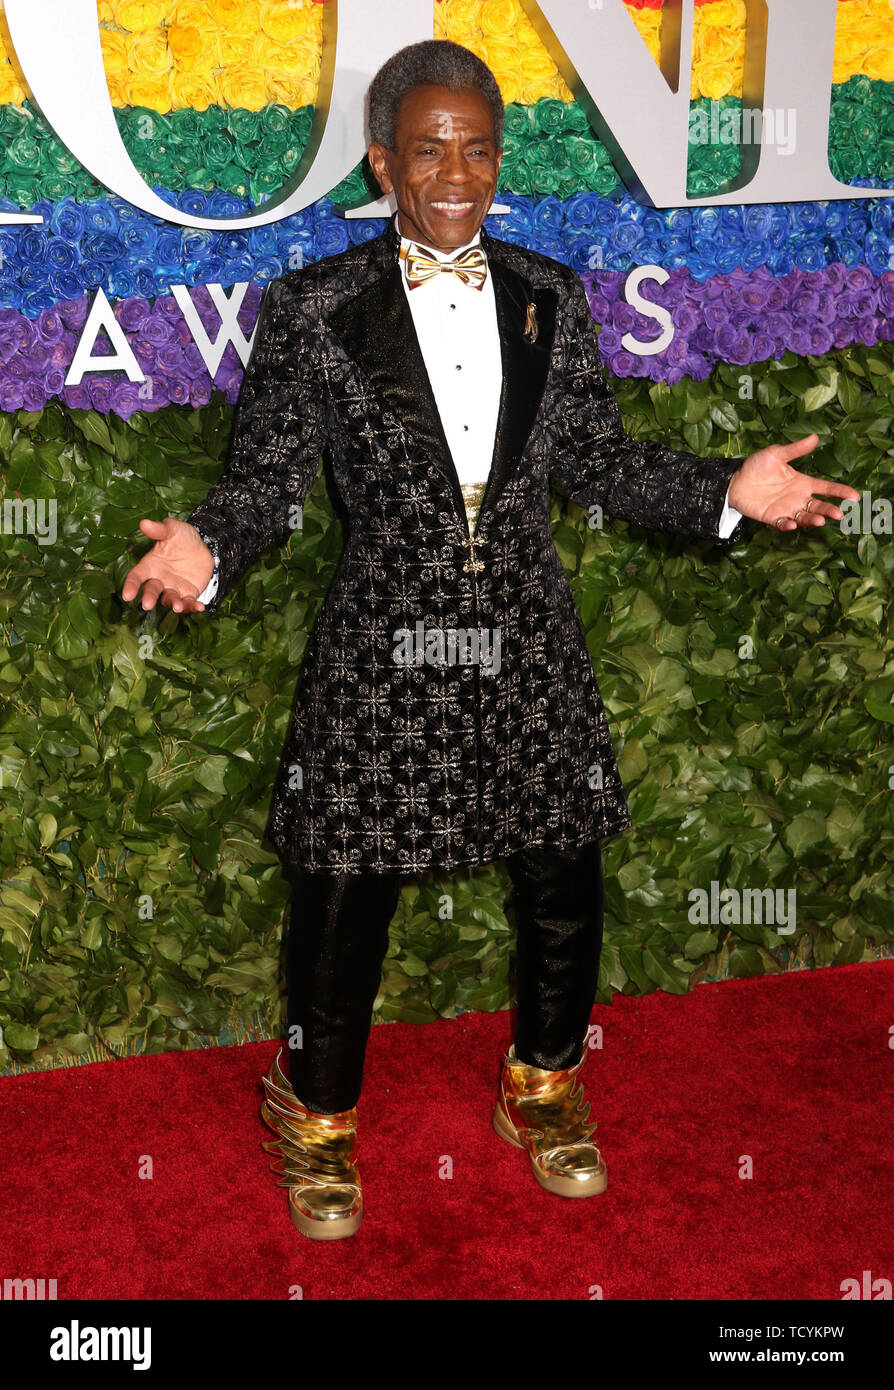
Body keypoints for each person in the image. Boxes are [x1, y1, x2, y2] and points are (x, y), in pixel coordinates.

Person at [122, 40, 860, 1241]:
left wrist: (728, 487)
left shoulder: (545, 294)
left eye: (477, 148)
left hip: (527, 632)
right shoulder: (313, 309)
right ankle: (314, 1115)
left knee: (564, 871)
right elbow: (264, 484)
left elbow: (597, 463)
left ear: (495, 159)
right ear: (384, 162)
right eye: (430, 149)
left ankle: (546, 1085)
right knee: (345, 885)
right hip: (383, 636)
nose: (456, 172)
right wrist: (210, 542)